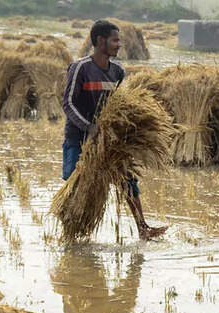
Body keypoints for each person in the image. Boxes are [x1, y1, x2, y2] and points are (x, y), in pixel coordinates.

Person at [62, 19, 167, 240]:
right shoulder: (80, 68)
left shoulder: (118, 71)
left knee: (128, 179)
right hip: (79, 136)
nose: (119, 45)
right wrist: (89, 127)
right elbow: (68, 104)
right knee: (73, 180)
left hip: (107, 138)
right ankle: (69, 231)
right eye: (115, 40)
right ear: (101, 41)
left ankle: (143, 228)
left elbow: (118, 105)